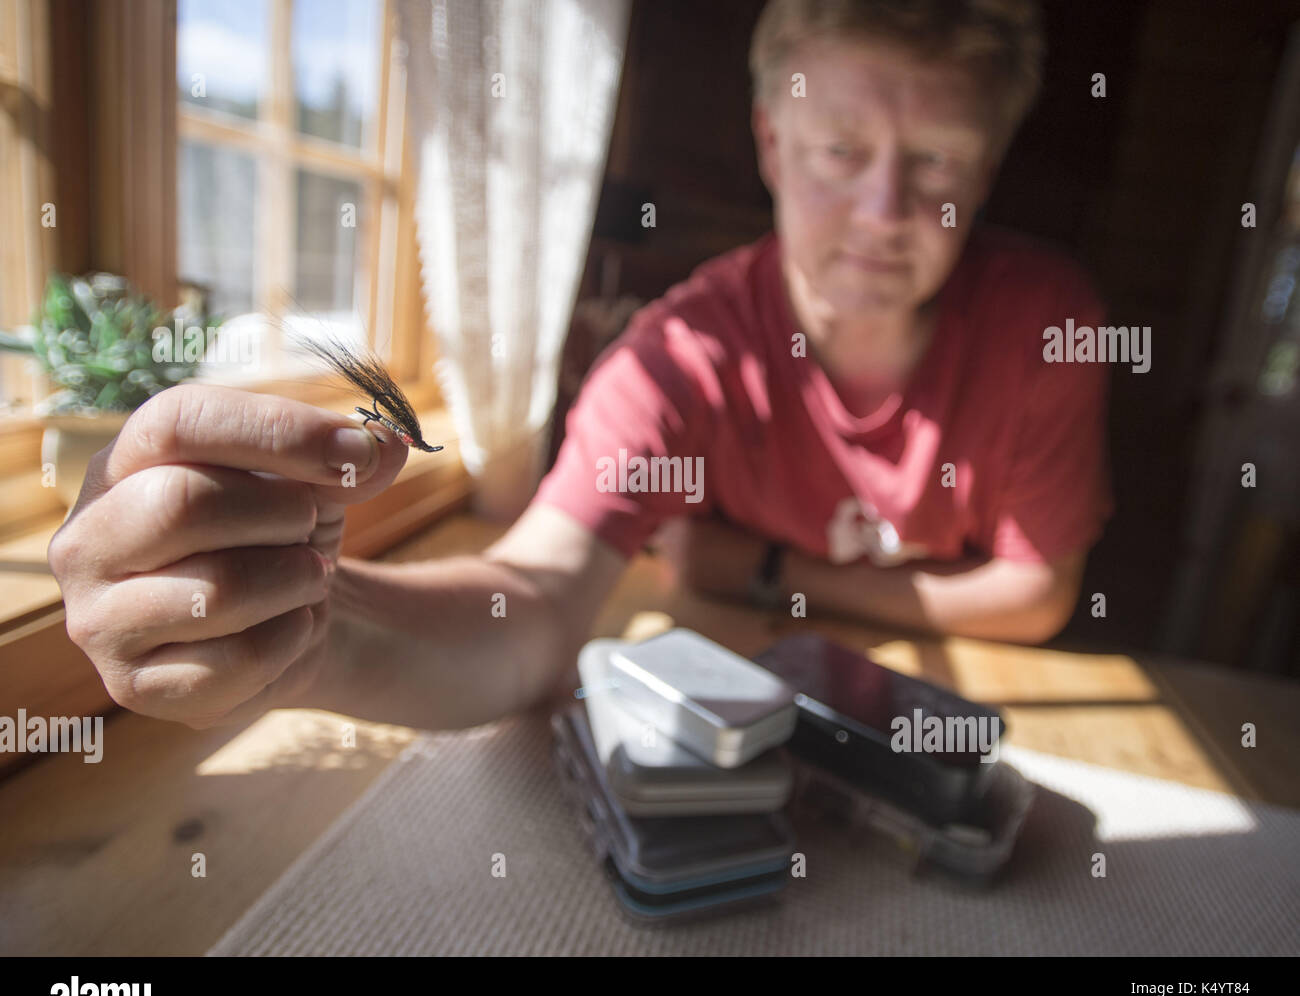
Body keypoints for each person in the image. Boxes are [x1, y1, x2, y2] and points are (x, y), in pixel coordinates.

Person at [48, 0, 1110, 733]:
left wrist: (756, 570)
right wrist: (300, 632)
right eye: (839, 150)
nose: (883, 213)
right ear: (772, 145)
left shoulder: (1045, 322)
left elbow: (1035, 598)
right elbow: (534, 601)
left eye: (934, 161)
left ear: (989, 164)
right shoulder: (681, 354)